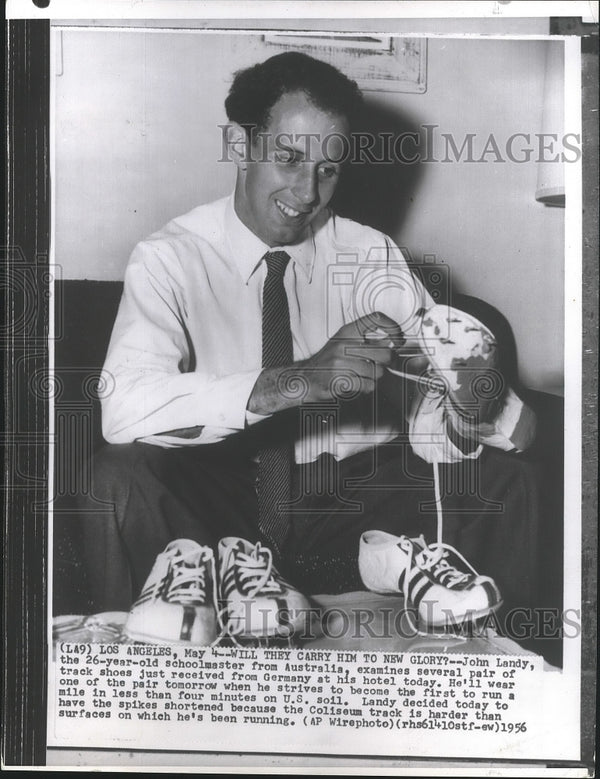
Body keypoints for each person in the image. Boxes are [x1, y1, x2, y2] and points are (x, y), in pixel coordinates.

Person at [85, 51, 540, 644]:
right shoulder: (168, 258)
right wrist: (294, 381)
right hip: (221, 508)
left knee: (508, 481)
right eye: (289, 159)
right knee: (120, 477)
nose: (307, 192)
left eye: (328, 169)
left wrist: (466, 410)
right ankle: (146, 662)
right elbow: (122, 408)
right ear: (240, 144)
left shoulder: (369, 255)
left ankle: (509, 669)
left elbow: (442, 423)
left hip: (349, 510)